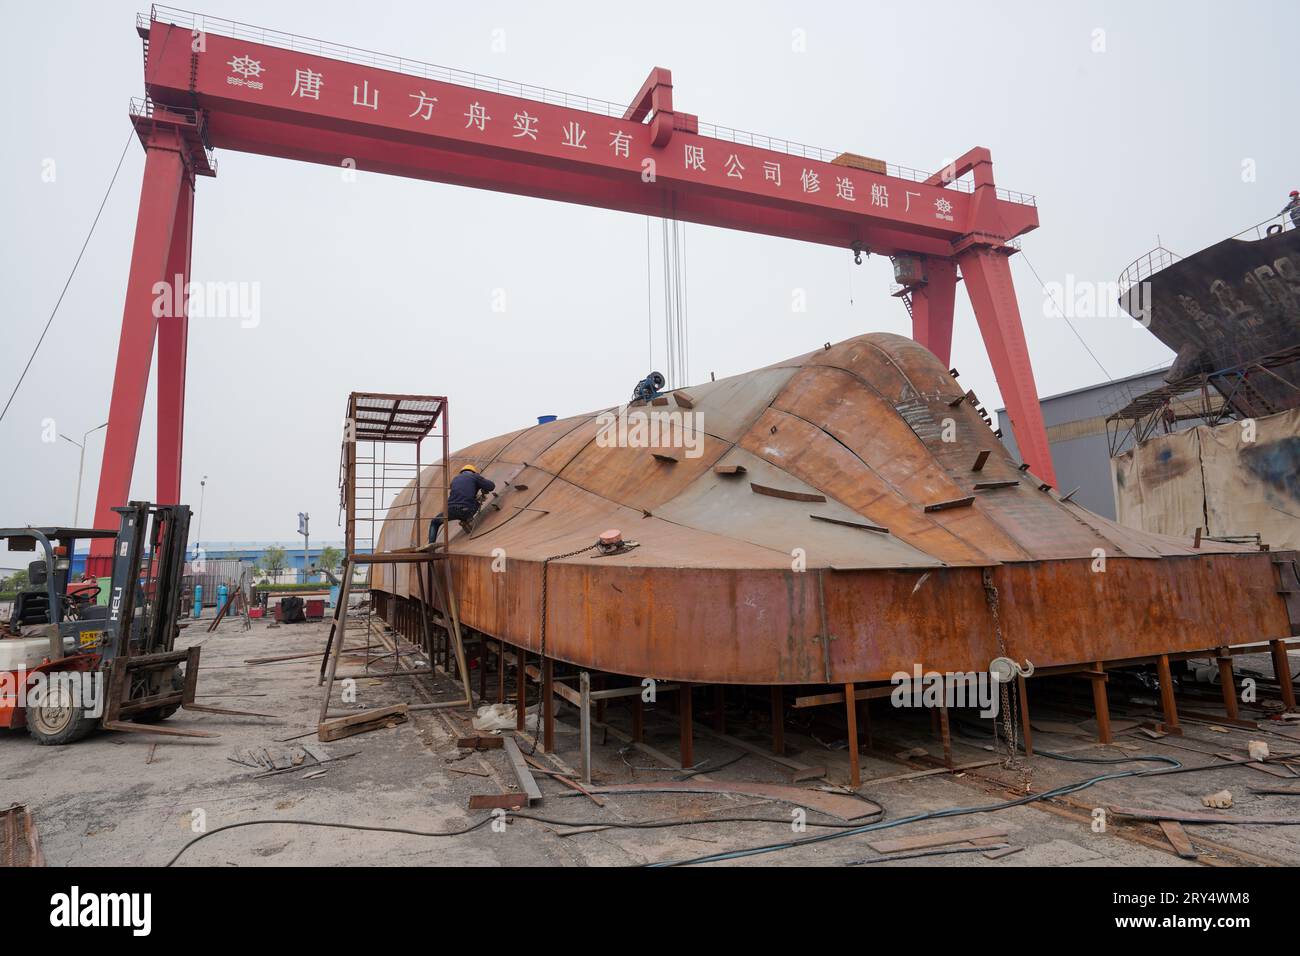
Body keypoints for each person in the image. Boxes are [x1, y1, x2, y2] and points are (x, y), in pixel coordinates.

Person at [428, 464, 495, 544]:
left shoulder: (455, 480)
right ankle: (466, 518)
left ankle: (431, 543)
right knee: (476, 501)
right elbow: (491, 486)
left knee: (435, 522)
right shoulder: (474, 476)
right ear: (472, 471)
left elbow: (461, 491)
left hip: (450, 510)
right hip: (466, 510)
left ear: (461, 472)